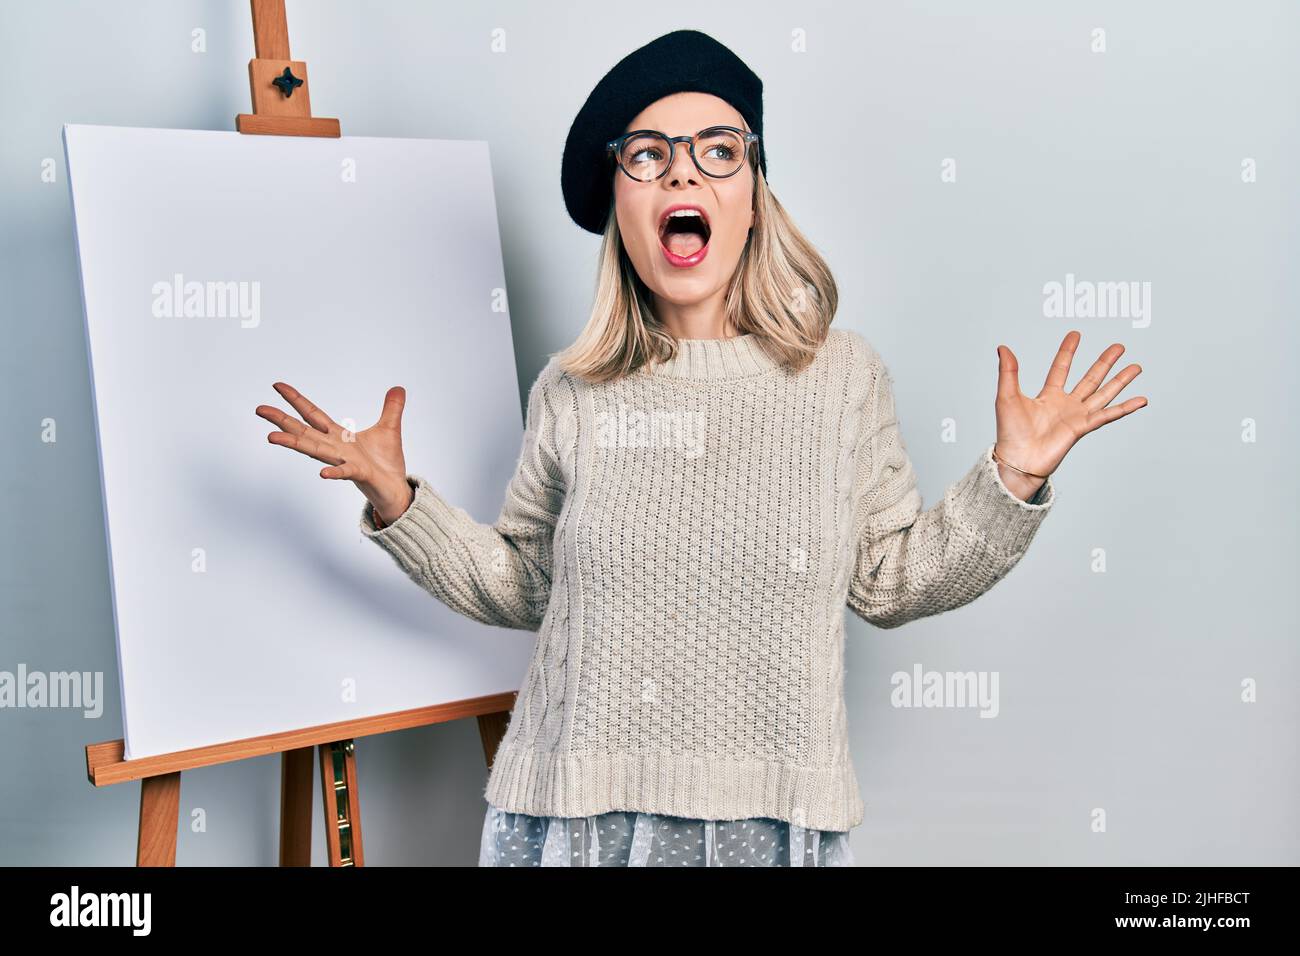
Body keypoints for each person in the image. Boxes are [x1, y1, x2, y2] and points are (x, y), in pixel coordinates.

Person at [254, 29, 1147, 867]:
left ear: (754, 197)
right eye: (648, 155)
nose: (683, 173)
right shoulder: (573, 389)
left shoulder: (842, 380)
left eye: (719, 151)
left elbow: (887, 579)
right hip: (575, 816)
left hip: (772, 820)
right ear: (621, 205)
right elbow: (526, 584)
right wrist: (398, 500)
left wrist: (1014, 479)